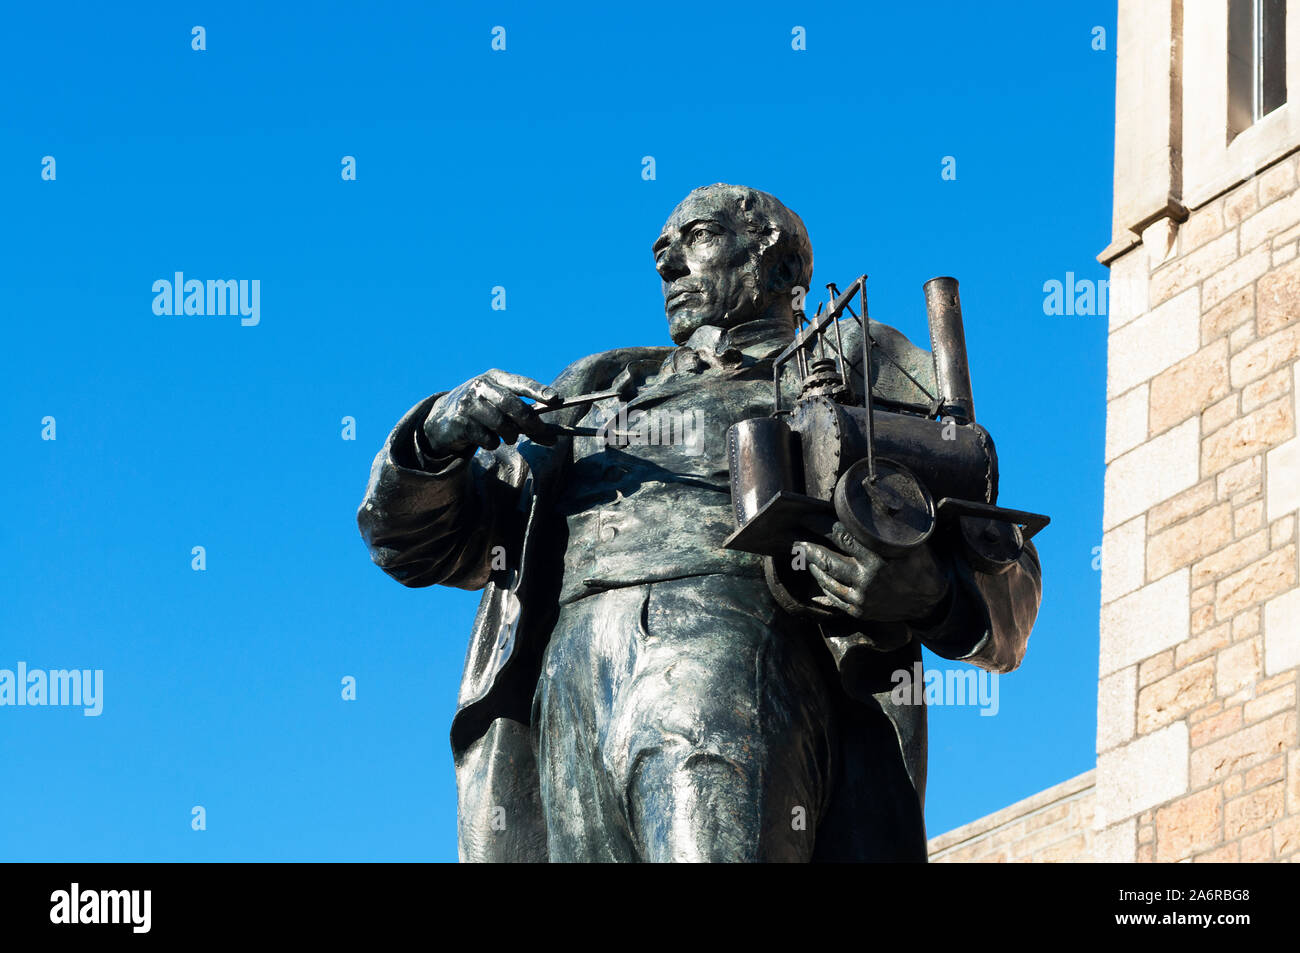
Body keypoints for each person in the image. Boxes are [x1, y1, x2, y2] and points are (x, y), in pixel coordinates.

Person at [357, 184, 1042, 862]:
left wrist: (933, 591)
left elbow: (1002, 564)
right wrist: (432, 441)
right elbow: (417, 547)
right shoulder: (592, 389)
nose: (668, 265)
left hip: (731, 659)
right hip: (567, 696)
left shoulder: (863, 367)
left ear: (778, 261)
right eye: (661, 251)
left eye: (698, 237)